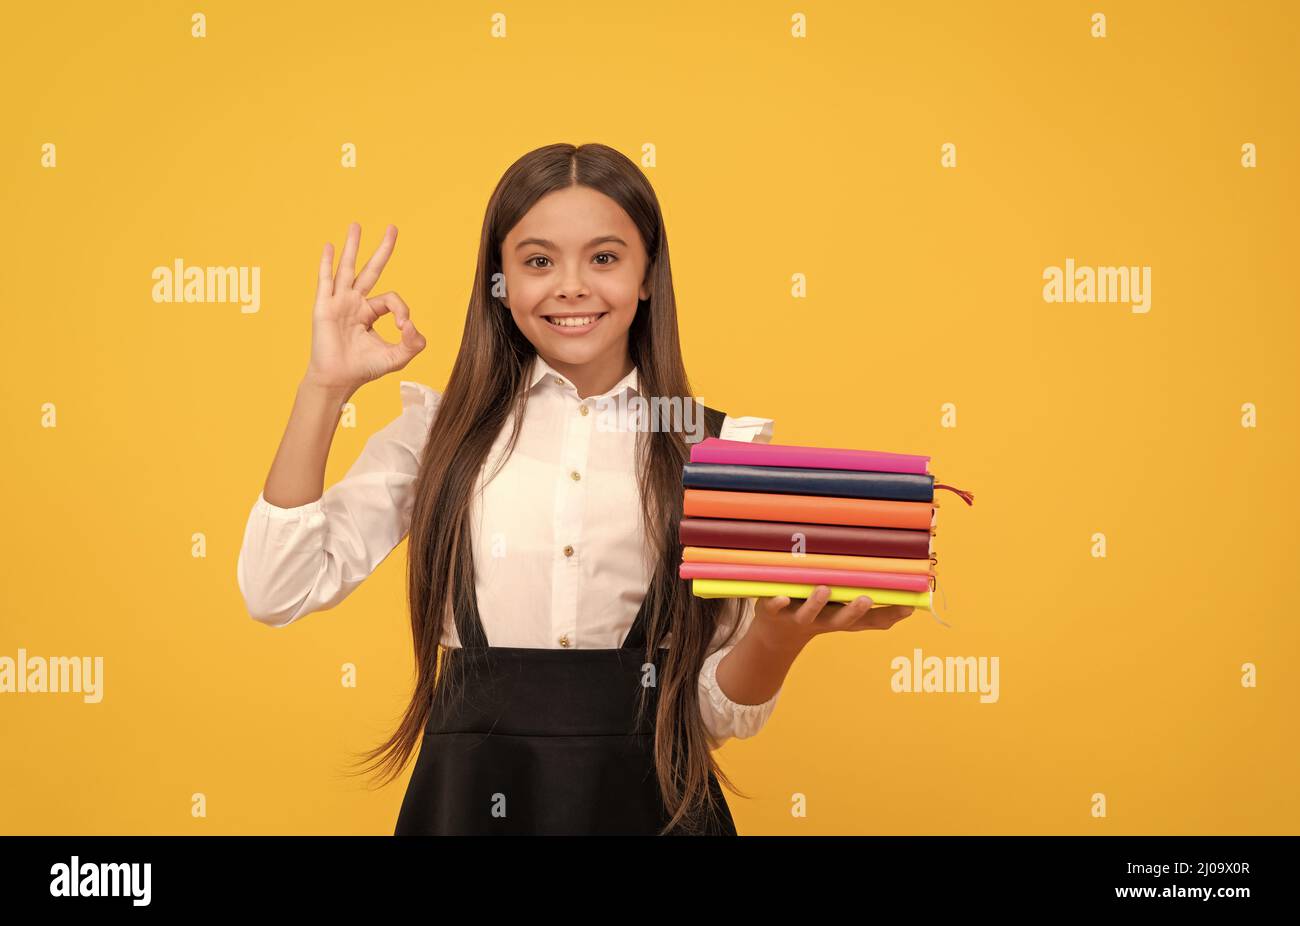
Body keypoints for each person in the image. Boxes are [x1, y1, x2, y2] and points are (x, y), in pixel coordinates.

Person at [236, 142, 914, 835]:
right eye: (537, 261)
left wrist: (777, 637)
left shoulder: (715, 450)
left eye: (605, 258)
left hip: (655, 810)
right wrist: (324, 388)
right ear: (498, 280)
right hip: (470, 806)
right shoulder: (438, 434)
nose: (571, 286)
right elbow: (277, 587)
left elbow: (710, 717)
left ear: (648, 274)